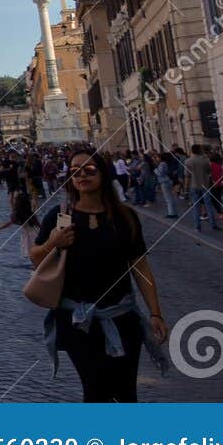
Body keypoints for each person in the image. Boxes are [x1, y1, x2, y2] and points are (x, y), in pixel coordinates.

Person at [29, 148, 168, 402]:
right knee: (96, 392)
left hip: (123, 316)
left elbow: (140, 266)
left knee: (126, 394)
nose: (82, 175)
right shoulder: (60, 217)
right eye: (74, 172)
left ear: (103, 174)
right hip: (77, 322)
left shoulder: (125, 217)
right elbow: (36, 259)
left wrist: (155, 312)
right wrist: (52, 243)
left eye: (89, 169)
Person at [0, 189, 39, 260]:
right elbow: (38, 223)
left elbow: (8, 224)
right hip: (35, 233)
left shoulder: (18, 215)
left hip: (27, 235)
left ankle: (35, 266)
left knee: (31, 252)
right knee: (36, 251)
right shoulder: (30, 213)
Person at [185, 144, 219, 232]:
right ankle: (213, 224)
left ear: (192, 151)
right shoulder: (205, 160)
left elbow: (187, 176)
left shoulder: (187, 161)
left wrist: (186, 188)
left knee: (196, 206)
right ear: (199, 150)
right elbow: (209, 172)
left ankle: (197, 226)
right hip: (205, 184)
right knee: (208, 205)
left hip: (194, 185)